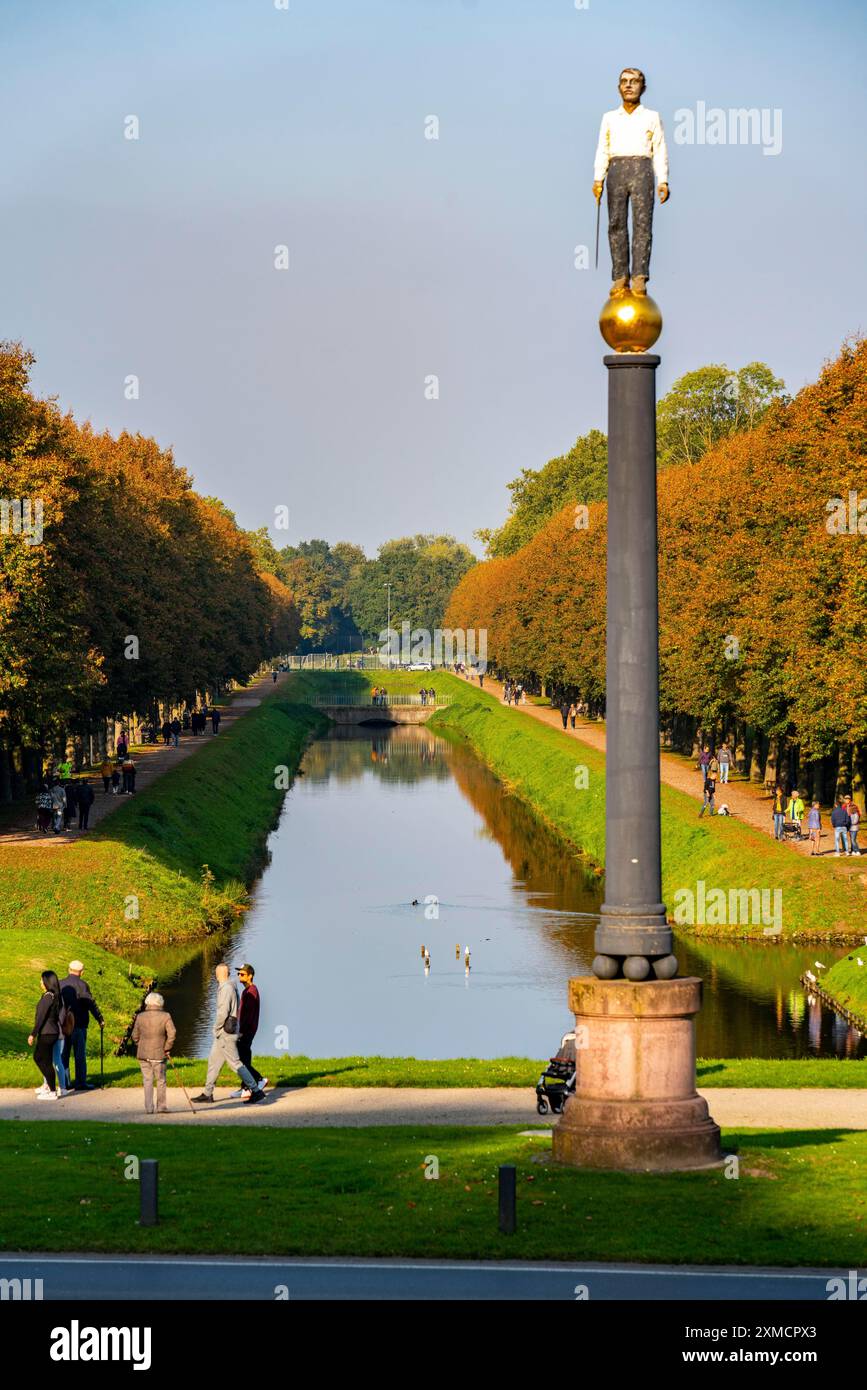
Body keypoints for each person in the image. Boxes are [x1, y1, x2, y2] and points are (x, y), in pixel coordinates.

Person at [592, 68, 669, 298]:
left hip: (642, 168)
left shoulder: (651, 117)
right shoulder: (609, 117)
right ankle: (620, 276)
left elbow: (660, 149)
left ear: (642, 88)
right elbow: (602, 149)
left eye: (634, 82)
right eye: (624, 82)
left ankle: (639, 276)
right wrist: (598, 177)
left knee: (642, 224)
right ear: (618, 88)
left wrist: (663, 180)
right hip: (616, 168)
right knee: (616, 223)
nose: (628, 85)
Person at [191, 964, 263, 1104]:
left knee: (236, 1064)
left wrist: (216, 1029)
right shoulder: (230, 988)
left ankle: (256, 1090)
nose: (216, 975)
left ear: (219, 974)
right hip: (225, 1033)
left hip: (225, 1033)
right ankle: (207, 1093)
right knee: (214, 1061)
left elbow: (222, 1012)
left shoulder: (226, 989)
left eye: (217, 973)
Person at [60, 960, 104, 1091]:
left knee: (64, 1055)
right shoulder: (83, 985)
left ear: (69, 970)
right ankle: (80, 1082)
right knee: (79, 1055)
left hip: (64, 1025)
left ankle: (65, 1082)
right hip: (79, 1025)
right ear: (82, 972)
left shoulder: (61, 984)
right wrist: (100, 1018)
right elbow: (90, 1004)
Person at [131, 992, 177, 1114]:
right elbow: (172, 1034)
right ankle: (161, 1107)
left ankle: (149, 1108)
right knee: (161, 1080)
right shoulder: (166, 1016)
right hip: (159, 1054)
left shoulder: (140, 1016)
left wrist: (140, 1044)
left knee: (147, 1080)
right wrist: (167, 1048)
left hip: (143, 1054)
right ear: (160, 1003)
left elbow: (134, 1035)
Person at [29, 970, 64, 1100]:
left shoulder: (48, 996)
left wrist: (33, 1034)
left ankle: (52, 1091)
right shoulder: (54, 995)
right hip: (52, 1032)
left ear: (47, 982)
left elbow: (41, 1017)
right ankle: (50, 1087)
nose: (40, 982)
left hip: (47, 1033)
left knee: (39, 1057)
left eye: (42, 980)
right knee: (46, 1061)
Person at [233, 963, 267, 1098]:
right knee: (244, 1058)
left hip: (246, 1031)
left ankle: (259, 1079)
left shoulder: (251, 991)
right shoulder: (246, 991)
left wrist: (241, 1031)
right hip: (244, 1030)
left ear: (250, 976)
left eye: (242, 974)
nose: (239, 976)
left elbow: (249, 1015)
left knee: (241, 1060)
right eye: (238, 974)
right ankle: (246, 1087)